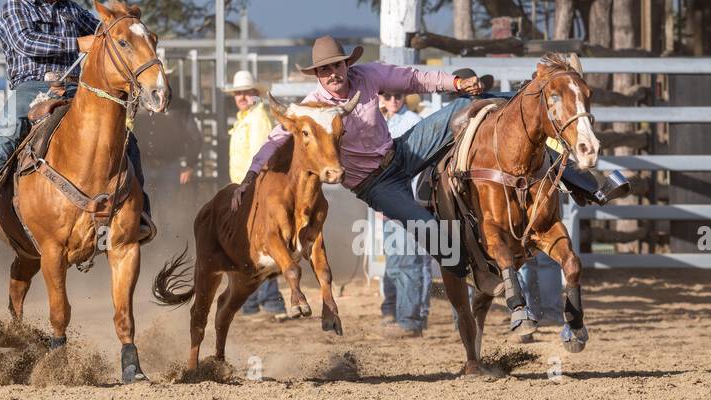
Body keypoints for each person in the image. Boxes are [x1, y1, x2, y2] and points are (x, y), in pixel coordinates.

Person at [232, 37, 626, 286]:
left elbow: (413, 79)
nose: (332, 73)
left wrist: (456, 82)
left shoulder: (367, 76)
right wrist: (251, 177)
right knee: (428, 228)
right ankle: (475, 273)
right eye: (324, 69)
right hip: (374, 183)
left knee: (468, 107)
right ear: (316, 74)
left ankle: (587, 180)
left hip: (402, 152)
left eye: (335, 65)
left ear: (345, 65)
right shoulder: (311, 109)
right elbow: (273, 141)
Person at [0, 0, 153, 246]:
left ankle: (140, 211)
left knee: (125, 137)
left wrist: (123, 27)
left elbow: (106, 35)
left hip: (75, 89)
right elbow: (27, 43)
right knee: (6, 132)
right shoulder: (14, 9)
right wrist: (79, 43)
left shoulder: (71, 10)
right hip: (31, 88)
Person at [224, 69, 285, 318]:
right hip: (245, 187)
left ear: (254, 94)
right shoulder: (247, 116)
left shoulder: (257, 117)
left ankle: (268, 301)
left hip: (252, 187)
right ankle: (255, 302)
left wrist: (251, 187)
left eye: (246, 92)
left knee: (258, 245)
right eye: (238, 92)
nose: (241, 96)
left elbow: (262, 154)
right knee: (250, 245)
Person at [377, 88, 430, 337]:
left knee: (408, 262)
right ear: (381, 99)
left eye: (397, 96)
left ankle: (410, 320)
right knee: (397, 263)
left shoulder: (412, 122)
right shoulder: (382, 123)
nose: (393, 100)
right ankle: (403, 316)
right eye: (387, 96)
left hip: (405, 201)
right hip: (389, 202)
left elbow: (419, 167)